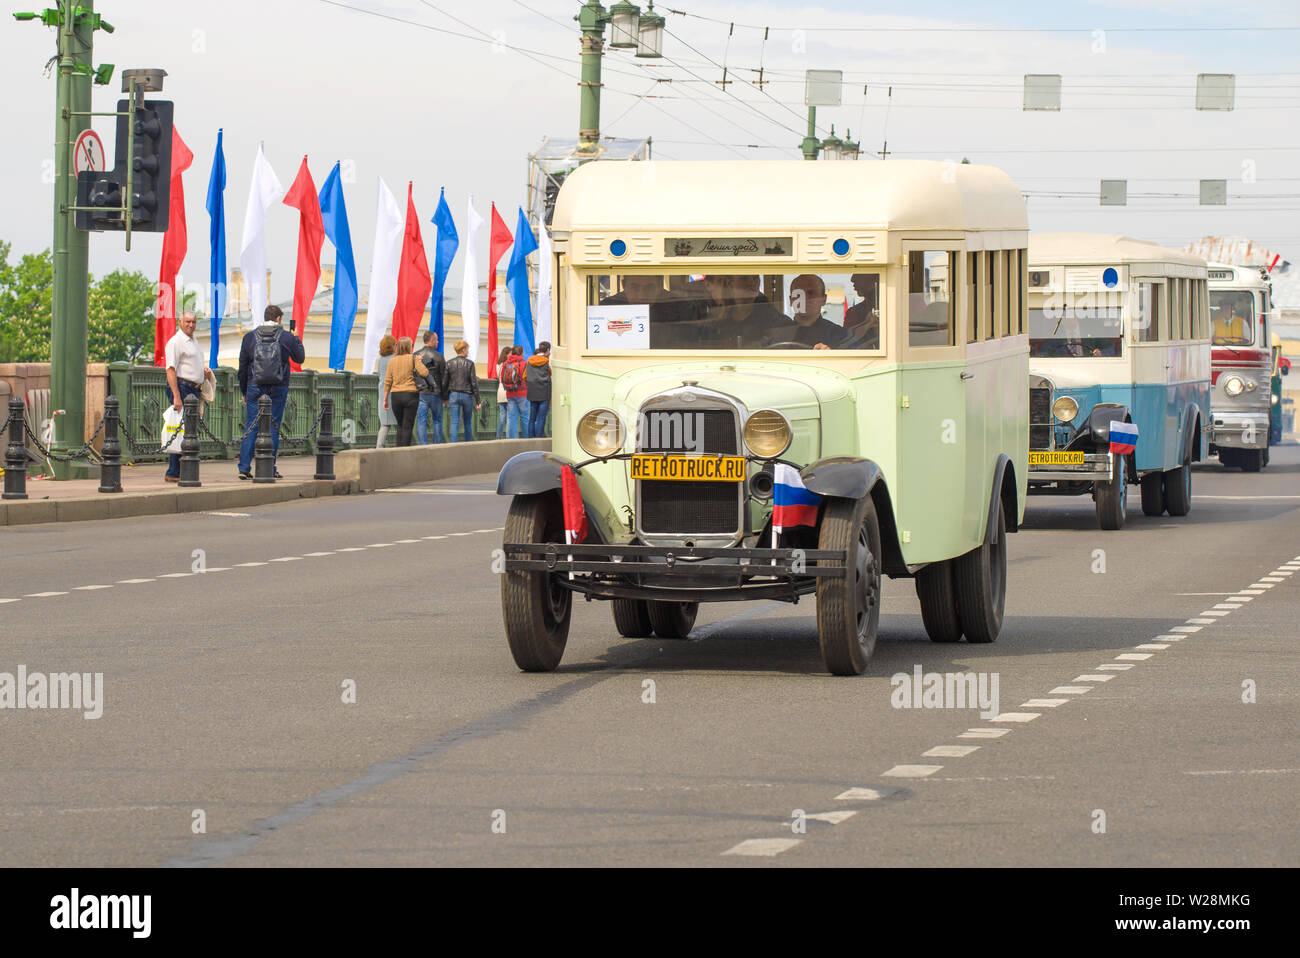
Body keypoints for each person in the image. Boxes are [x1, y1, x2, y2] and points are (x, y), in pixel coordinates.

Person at [237, 304, 305, 480]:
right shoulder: (286, 337)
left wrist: (244, 390)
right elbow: (300, 358)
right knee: (274, 426)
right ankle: (269, 467)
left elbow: (242, 367)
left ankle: (244, 468)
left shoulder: (250, 337)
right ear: (278, 319)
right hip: (278, 386)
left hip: (254, 385)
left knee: (251, 425)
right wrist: (296, 338)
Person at [162, 312, 214, 482]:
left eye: (193, 322)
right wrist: (176, 396)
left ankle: (179, 470)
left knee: (186, 430)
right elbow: (170, 370)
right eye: (187, 322)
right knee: (182, 430)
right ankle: (174, 471)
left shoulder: (194, 341)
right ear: (180, 322)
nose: (191, 325)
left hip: (193, 388)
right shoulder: (176, 342)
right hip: (182, 387)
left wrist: (203, 375)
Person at [700, 275, 786, 348]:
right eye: (744, 278)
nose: (752, 283)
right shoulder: (714, 322)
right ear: (730, 284)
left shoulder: (774, 320)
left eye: (755, 278)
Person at [383, 337, 429, 447]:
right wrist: (419, 361)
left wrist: (385, 399)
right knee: (407, 425)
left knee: (399, 425)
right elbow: (424, 373)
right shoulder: (413, 358)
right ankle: (405, 452)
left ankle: (398, 450)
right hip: (410, 394)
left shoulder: (392, 361)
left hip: (395, 396)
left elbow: (388, 381)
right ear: (409, 347)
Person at [784, 274, 850, 349]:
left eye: (811, 293)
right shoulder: (776, 335)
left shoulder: (840, 335)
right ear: (791, 300)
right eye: (798, 294)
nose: (805, 298)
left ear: (824, 299)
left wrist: (831, 355)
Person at [415, 331, 447, 445]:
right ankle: (437, 445)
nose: (438, 342)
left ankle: (423, 445)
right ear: (432, 340)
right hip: (436, 393)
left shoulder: (416, 355)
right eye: (437, 339)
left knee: (421, 421)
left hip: (421, 393)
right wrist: (445, 396)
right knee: (437, 420)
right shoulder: (439, 356)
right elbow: (444, 377)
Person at [446, 339, 481, 442]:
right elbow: (474, 383)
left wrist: (445, 397)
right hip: (467, 396)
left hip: (453, 395)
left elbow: (445, 381)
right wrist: (478, 400)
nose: (468, 351)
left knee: (454, 422)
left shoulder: (449, 363)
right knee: (467, 422)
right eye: (467, 349)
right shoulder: (470, 364)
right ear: (463, 349)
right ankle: (468, 444)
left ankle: (453, 445)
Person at [843, 273, 881, 349]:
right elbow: (845, 343)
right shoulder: (853, 313)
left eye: (859, 272)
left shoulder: (895, 310)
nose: (852, 279)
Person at [500, 344, 529, 438]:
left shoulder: (506, 363)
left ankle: (512, 441)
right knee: (525, 418)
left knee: (511, 418)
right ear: (521, 353)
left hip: (510, 393)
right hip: (523, 393)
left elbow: (502, 378)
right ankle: (526, 440)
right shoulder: (525, 363)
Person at [375, 334, 398, 448]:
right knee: (399, 424)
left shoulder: (380, 360)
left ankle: (379, 448)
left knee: (385, 424)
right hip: (393, 393)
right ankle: (402, 446)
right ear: (392, 346)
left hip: (382, 392)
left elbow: (379, 375)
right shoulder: (395, 359)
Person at [526, 341, 553, 438]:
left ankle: (530, 438)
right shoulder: (547, 361)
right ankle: (538, 438)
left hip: (532, 392)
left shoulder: (529, 361)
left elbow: (525, 376)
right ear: (547, 350)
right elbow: (551, 373)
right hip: (544, 392)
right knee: (541, 418)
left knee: (532, 418)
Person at [494, 345, 512, 438]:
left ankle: (498, 436)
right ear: (507, 354)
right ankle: (508, 437)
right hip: (508, 391)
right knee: (509, 416)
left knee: (502, 416)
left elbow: (497, 376)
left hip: (500, 390)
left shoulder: (498, 364)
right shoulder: (509, 364)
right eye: (510, 353)